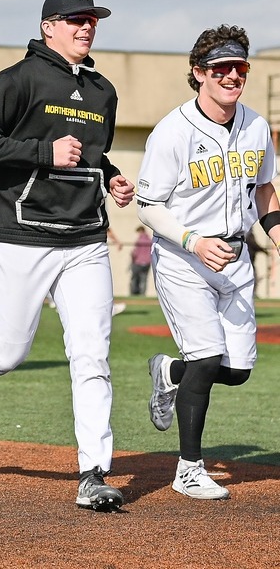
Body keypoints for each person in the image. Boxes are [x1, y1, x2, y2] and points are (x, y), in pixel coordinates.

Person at [0, 0, 134, 512]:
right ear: (49, 25)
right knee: (8, 350)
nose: (86, 26)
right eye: (75, 18)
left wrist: (113, 178)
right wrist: (40, 152)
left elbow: (95, 154)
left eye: (92, 18)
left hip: (86, 239)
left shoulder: (102, 91)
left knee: (92, 355)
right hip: (23, 234)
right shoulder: (17, 80)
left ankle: (93, 472)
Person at [138, 25, 279, 501]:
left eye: (240, 68)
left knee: (237, 369)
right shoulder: (173, 131)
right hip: (184, 258)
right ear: (198, 73)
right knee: (205, 355)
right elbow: (147, 204)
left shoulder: (256, 126)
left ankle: (169, 374)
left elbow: (262, 189)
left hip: (236, 258)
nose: (232, 76)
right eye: (221, 68)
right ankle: (189, 467)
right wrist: (193, 240)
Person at [130, 226, 152, 295]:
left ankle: (134, 294)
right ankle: (143, 294)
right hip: (147, 263)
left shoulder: (139, 240)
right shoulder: (150, 240)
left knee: (135, 279)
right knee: (144, 279)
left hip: (138, 262)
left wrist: (132, 256)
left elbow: (135, 252)